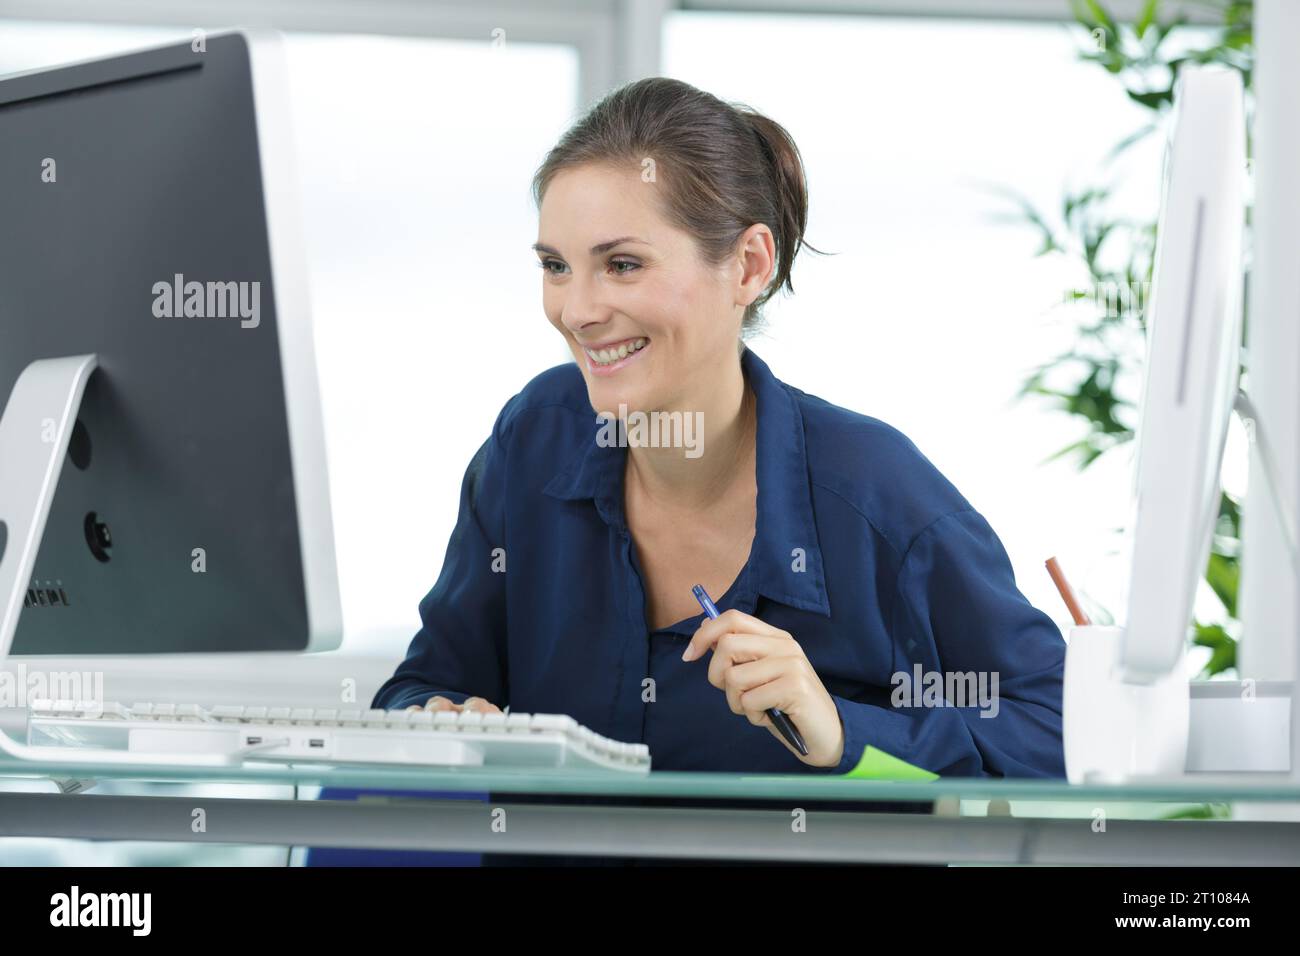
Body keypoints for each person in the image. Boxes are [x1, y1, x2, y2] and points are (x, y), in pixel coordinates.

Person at [372, 76, 1067, 865]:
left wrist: (842, 730)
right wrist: (438, 717)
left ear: (747, 265)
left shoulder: (877, 496)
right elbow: (423, 684)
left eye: (622, 264)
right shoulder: (533, 442)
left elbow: (1053, 732)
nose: (578, 310)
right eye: (556, 266)